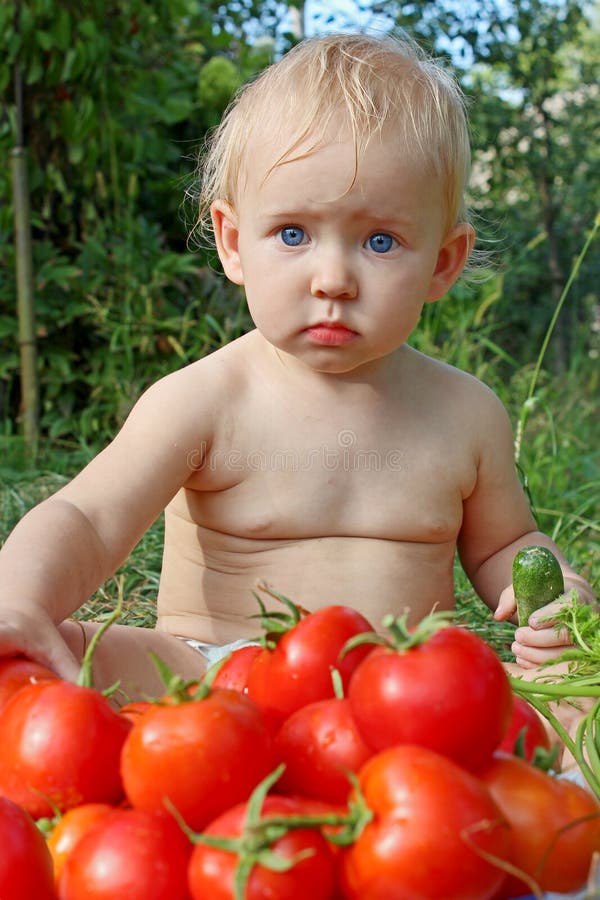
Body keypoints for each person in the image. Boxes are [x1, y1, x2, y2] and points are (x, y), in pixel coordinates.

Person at [0, 33, 595, 703]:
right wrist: (19, 599)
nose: (333, 278)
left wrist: (551, 594)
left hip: (402, 691)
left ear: (442, 262)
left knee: (575, 697)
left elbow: (504, 545)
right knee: (44, 664)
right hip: (208, 675)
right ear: (232, 243)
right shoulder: (204, 400)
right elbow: (88, 516)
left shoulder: (465, 414)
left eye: (379, 241)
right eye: (293, 234)